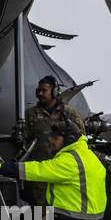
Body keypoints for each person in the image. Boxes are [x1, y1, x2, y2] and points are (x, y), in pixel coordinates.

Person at [22, 76, 85, 207]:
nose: (40, 93)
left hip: (62, 171)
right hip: (40, 172)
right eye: (38, 90)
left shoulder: (69, 113)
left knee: (59, 207)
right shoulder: (29, 114)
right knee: (40, 212)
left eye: (44, 90)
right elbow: (22, 139)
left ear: (55, 92)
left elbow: (81, 137)